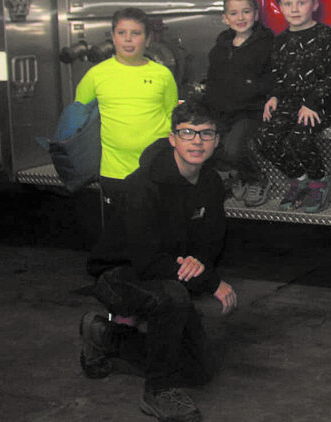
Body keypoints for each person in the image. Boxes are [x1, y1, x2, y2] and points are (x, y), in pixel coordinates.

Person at [79, 101, 237, 422]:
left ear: (217, 140)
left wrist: (201, 261)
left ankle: (105, 337)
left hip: (167, 271)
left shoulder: (211, 182)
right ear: (172, 138)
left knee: (198, 370)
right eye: (188, 132)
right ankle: (158, 392)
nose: (197, 141)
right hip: (119, 273)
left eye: (206, 133)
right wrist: (210, 281)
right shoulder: (144, 185)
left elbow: (212, 240)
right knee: (172, 296)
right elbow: (147, 261)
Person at [75, 7, 178, 217]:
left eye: (136, 33)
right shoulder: (96, 75)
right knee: (120, 236)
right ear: (113, 38)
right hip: (114, 171)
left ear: (148, 40)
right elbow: (79, 120)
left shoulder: (162, 75)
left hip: (156, 169)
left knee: (159, 233)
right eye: (122, 33)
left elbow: (172, 117)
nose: (128, 40)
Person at [256, 0, 331, 213]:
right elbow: (277, 76)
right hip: (290, 102)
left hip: (321, 103)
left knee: (298, 137)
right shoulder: (280, 41)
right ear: (280, 8)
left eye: (301, 3)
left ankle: (319, 182)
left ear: (314, 5)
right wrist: (273, 97)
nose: (294, 9)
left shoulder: (325, 35)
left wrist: (313, 103)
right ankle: (299, 178)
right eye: (288, 4)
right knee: (264, 137)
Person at [201, 0, 274, 208]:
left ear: (256, 14)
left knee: (233, 147)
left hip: (251, 111)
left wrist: (271, 96)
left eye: (246, 12)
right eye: (233, 13)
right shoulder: (219, 48)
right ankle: (233, 176)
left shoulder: (267, 45)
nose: (240, 18)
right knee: (207, 142)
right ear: (225, 18)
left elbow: (274, 77)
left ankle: (255, 178)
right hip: (221, 111)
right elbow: (212, 80)